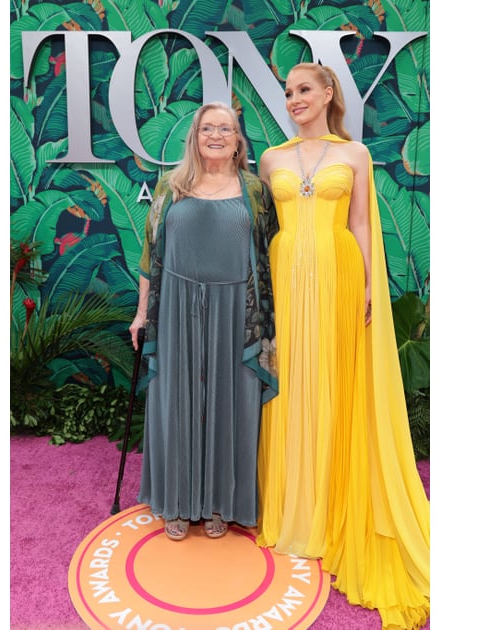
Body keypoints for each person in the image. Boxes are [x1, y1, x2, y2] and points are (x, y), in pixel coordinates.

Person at [255, 63, 432, 628]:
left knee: (334, 386)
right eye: (287, 92)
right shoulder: (271, 160)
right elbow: (261, 234)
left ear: (329, 93)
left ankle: (331, 503)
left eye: (303, 89)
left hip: (338, 279)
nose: (293, 99)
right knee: (290, 386)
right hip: (286, 280)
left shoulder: (356, 157)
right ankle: (292, 507)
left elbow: (360, 226)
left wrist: (366, 289)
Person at [129, 102, 278, 542]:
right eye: (207, 128)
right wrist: (142, 314)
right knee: (176, 400)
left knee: (232, 402)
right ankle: (175, 500)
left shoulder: (255, 190)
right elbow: (148, 256)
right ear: (194, 138)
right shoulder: (170, 186)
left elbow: (270, 255)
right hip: (176, 305)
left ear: (238, 140)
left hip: (237, 311)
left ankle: (221, 502)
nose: (216, 135)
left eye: (225, 128)